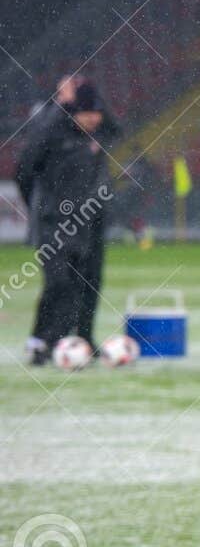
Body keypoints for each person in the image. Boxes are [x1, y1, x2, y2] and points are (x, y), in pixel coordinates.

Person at [16, 76, 121, 364]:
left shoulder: (99, 131)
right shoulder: (54, 130)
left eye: (97, 113)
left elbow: (116, 127)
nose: (94, 120)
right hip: (55, 222)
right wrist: (59, 103)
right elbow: (24, 169)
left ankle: (79, 339)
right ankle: (42, 341)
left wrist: (94, 95)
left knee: (88, 282)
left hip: (91, 220)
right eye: (87, 114)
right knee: (58, 283)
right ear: (73, 112)